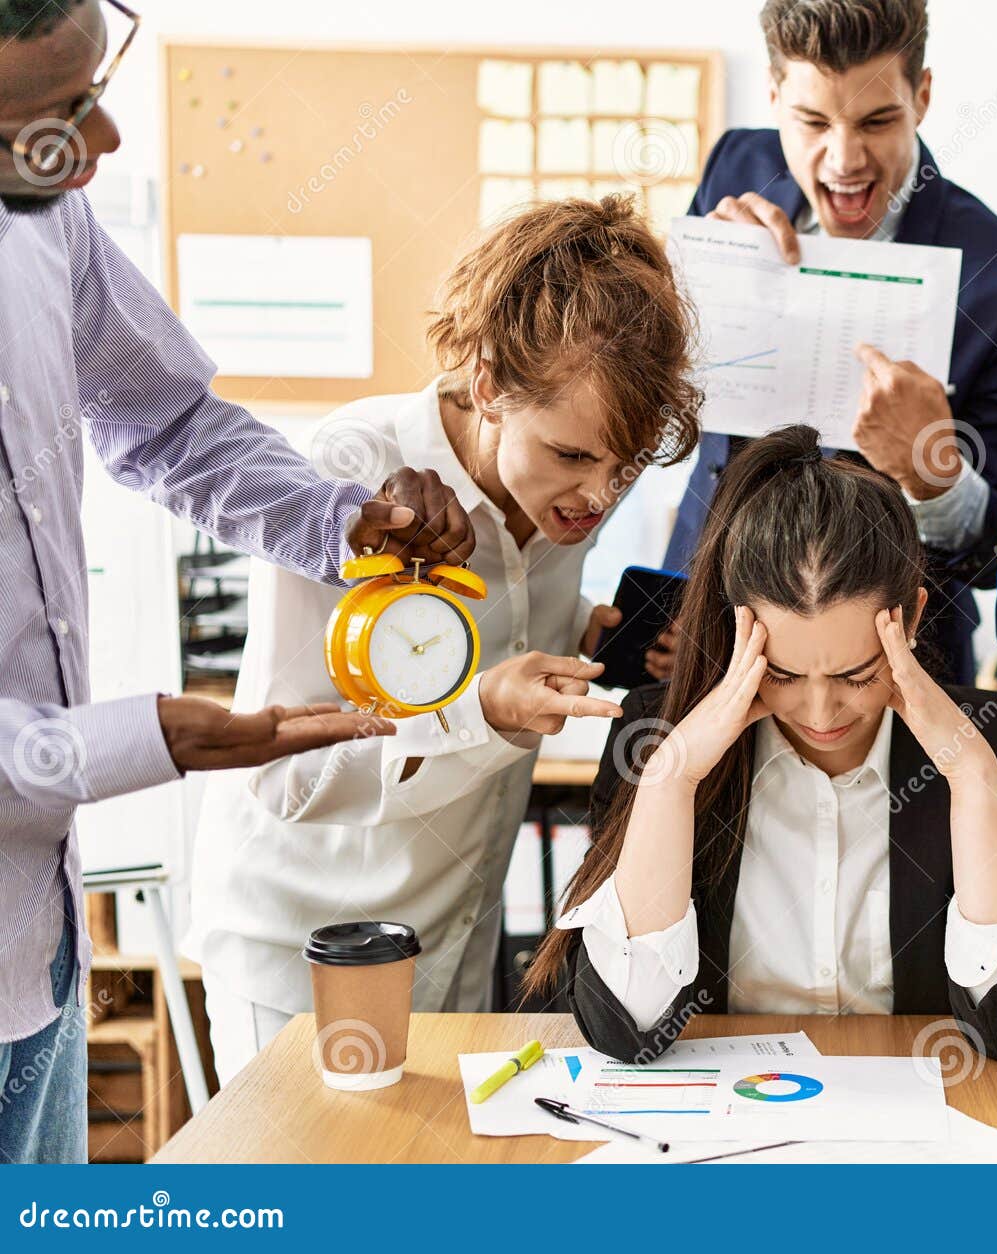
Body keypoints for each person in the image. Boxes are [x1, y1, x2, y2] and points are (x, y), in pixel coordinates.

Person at [0, 0, 474, 1164]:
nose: (102, 140)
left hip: (30, 946)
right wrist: (149, 740)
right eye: (56, 113)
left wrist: (339, 519)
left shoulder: (42, 219)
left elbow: (162, 417)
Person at [187, 195, 703, 1084]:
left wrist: (593, 637)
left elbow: (466, 638)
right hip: (307, 957)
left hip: (456, 949)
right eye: (574, 457)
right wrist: (482, 711)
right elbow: (283, 773)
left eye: (626, 468)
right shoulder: (352, 474)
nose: (596, 499)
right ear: (492, 381)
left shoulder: (556, 504)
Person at [528, 426, 997, 1063]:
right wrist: (671, 781)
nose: (819, 712)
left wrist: (972, 776)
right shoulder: (655, 735)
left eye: (856, 674)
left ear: (912, 619)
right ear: (740, 632)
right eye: (783, 674)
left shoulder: (995, 740)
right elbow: (626, 1030)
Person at [653, 0, 997, 687]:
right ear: (773, 95)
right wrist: (697, 283)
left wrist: (930, 472)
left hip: (886, 683)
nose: (844, 159)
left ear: (924, 96)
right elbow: (674, 390)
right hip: (704, 646)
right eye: (813, 122)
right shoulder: (736, 165)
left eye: (878, 121)